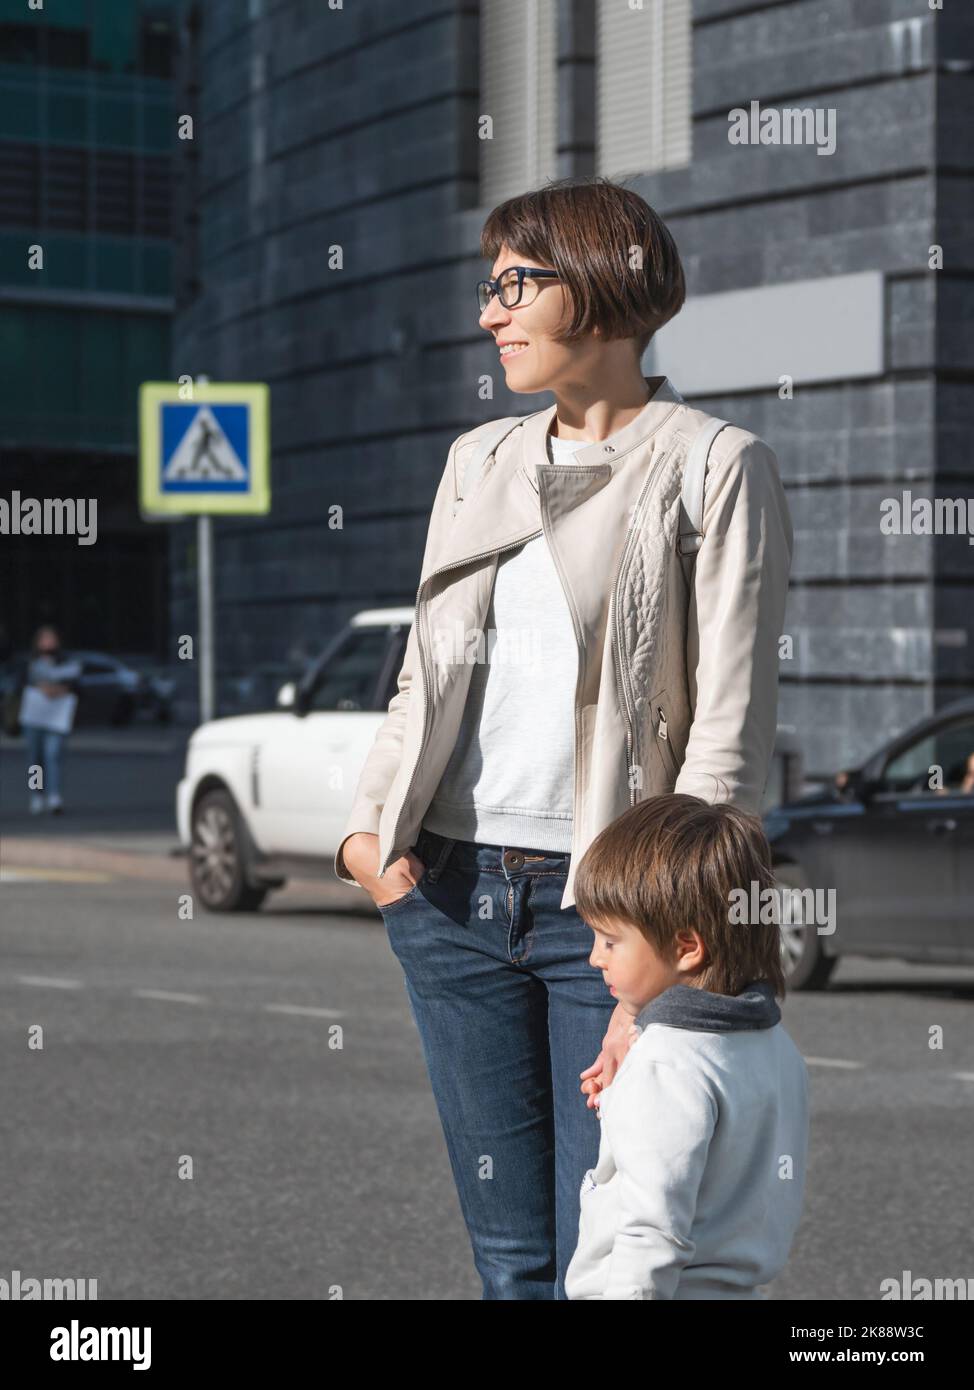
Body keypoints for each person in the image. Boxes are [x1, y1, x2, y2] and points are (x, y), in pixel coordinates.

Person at [334, 176, 794, 1299]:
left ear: (597, 282)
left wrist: (662, 977)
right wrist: (367, 838)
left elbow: (724, 734)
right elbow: (422, 674)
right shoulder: (475, 460)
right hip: (444, 892)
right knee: (508, 1259)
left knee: (619, 1249)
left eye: (513, 285)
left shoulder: (711, 464)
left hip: (612, 914)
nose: (489, 314)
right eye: (488, 289)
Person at [564, 793, 809, 1300]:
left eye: (610, 941)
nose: (594, 958)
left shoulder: (666, 1063)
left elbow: (651, 1230)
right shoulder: (775, 1044)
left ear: (686, 947)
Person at [20, 625, 81, 816]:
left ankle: (54, 795)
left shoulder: (66, 662)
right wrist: (41, 687)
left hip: (56, 716)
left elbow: (77, 684)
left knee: (53, 755)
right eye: (44, 639)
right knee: (35, 759)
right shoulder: (29, 662)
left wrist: (61, 689)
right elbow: (20, 683)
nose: (48, 643)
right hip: (35, 716)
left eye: (51, 638)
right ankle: (36, 795)